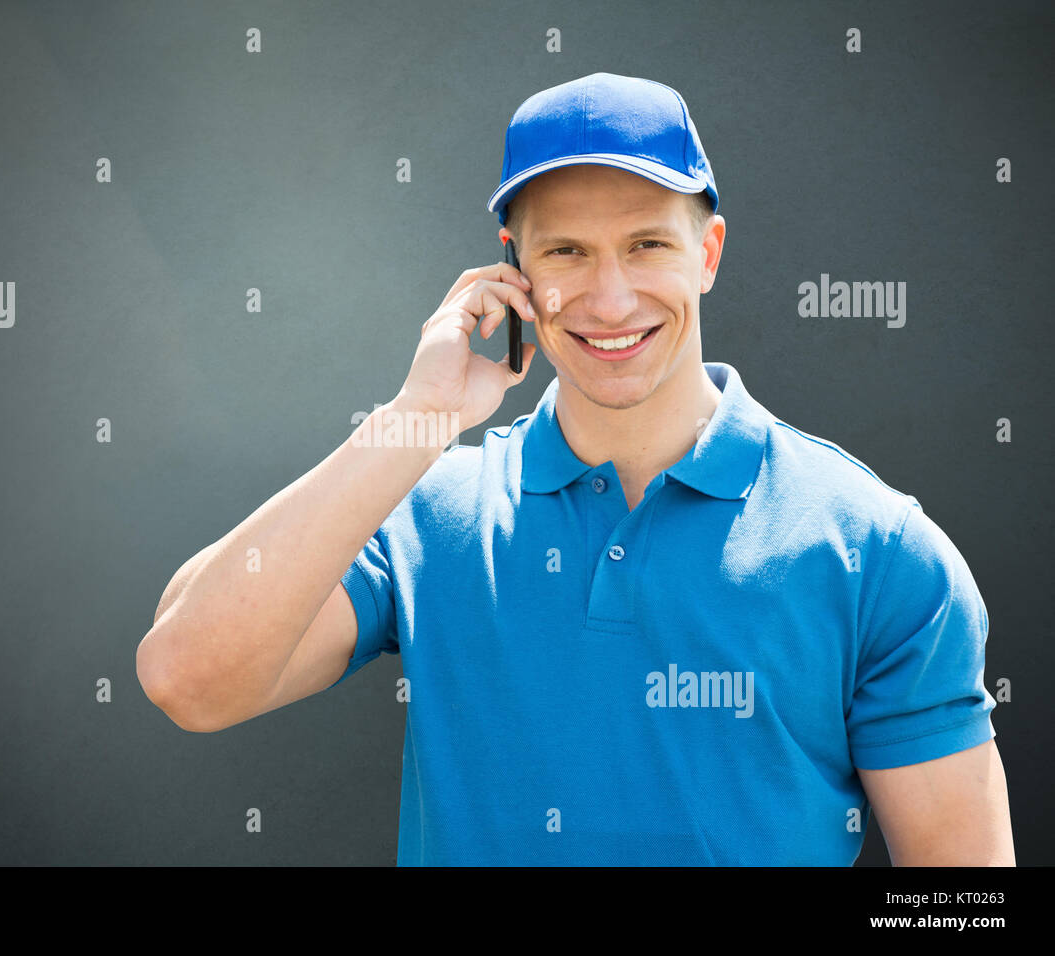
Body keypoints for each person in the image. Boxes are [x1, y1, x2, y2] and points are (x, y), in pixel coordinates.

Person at [137, 72, 1015, 866]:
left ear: (706, 254)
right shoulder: (429, 508)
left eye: (646, 246)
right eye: (565, 252)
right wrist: (418, 419)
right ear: (514, 270)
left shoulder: (878, 547)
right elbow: (187, 679)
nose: (610, 300)